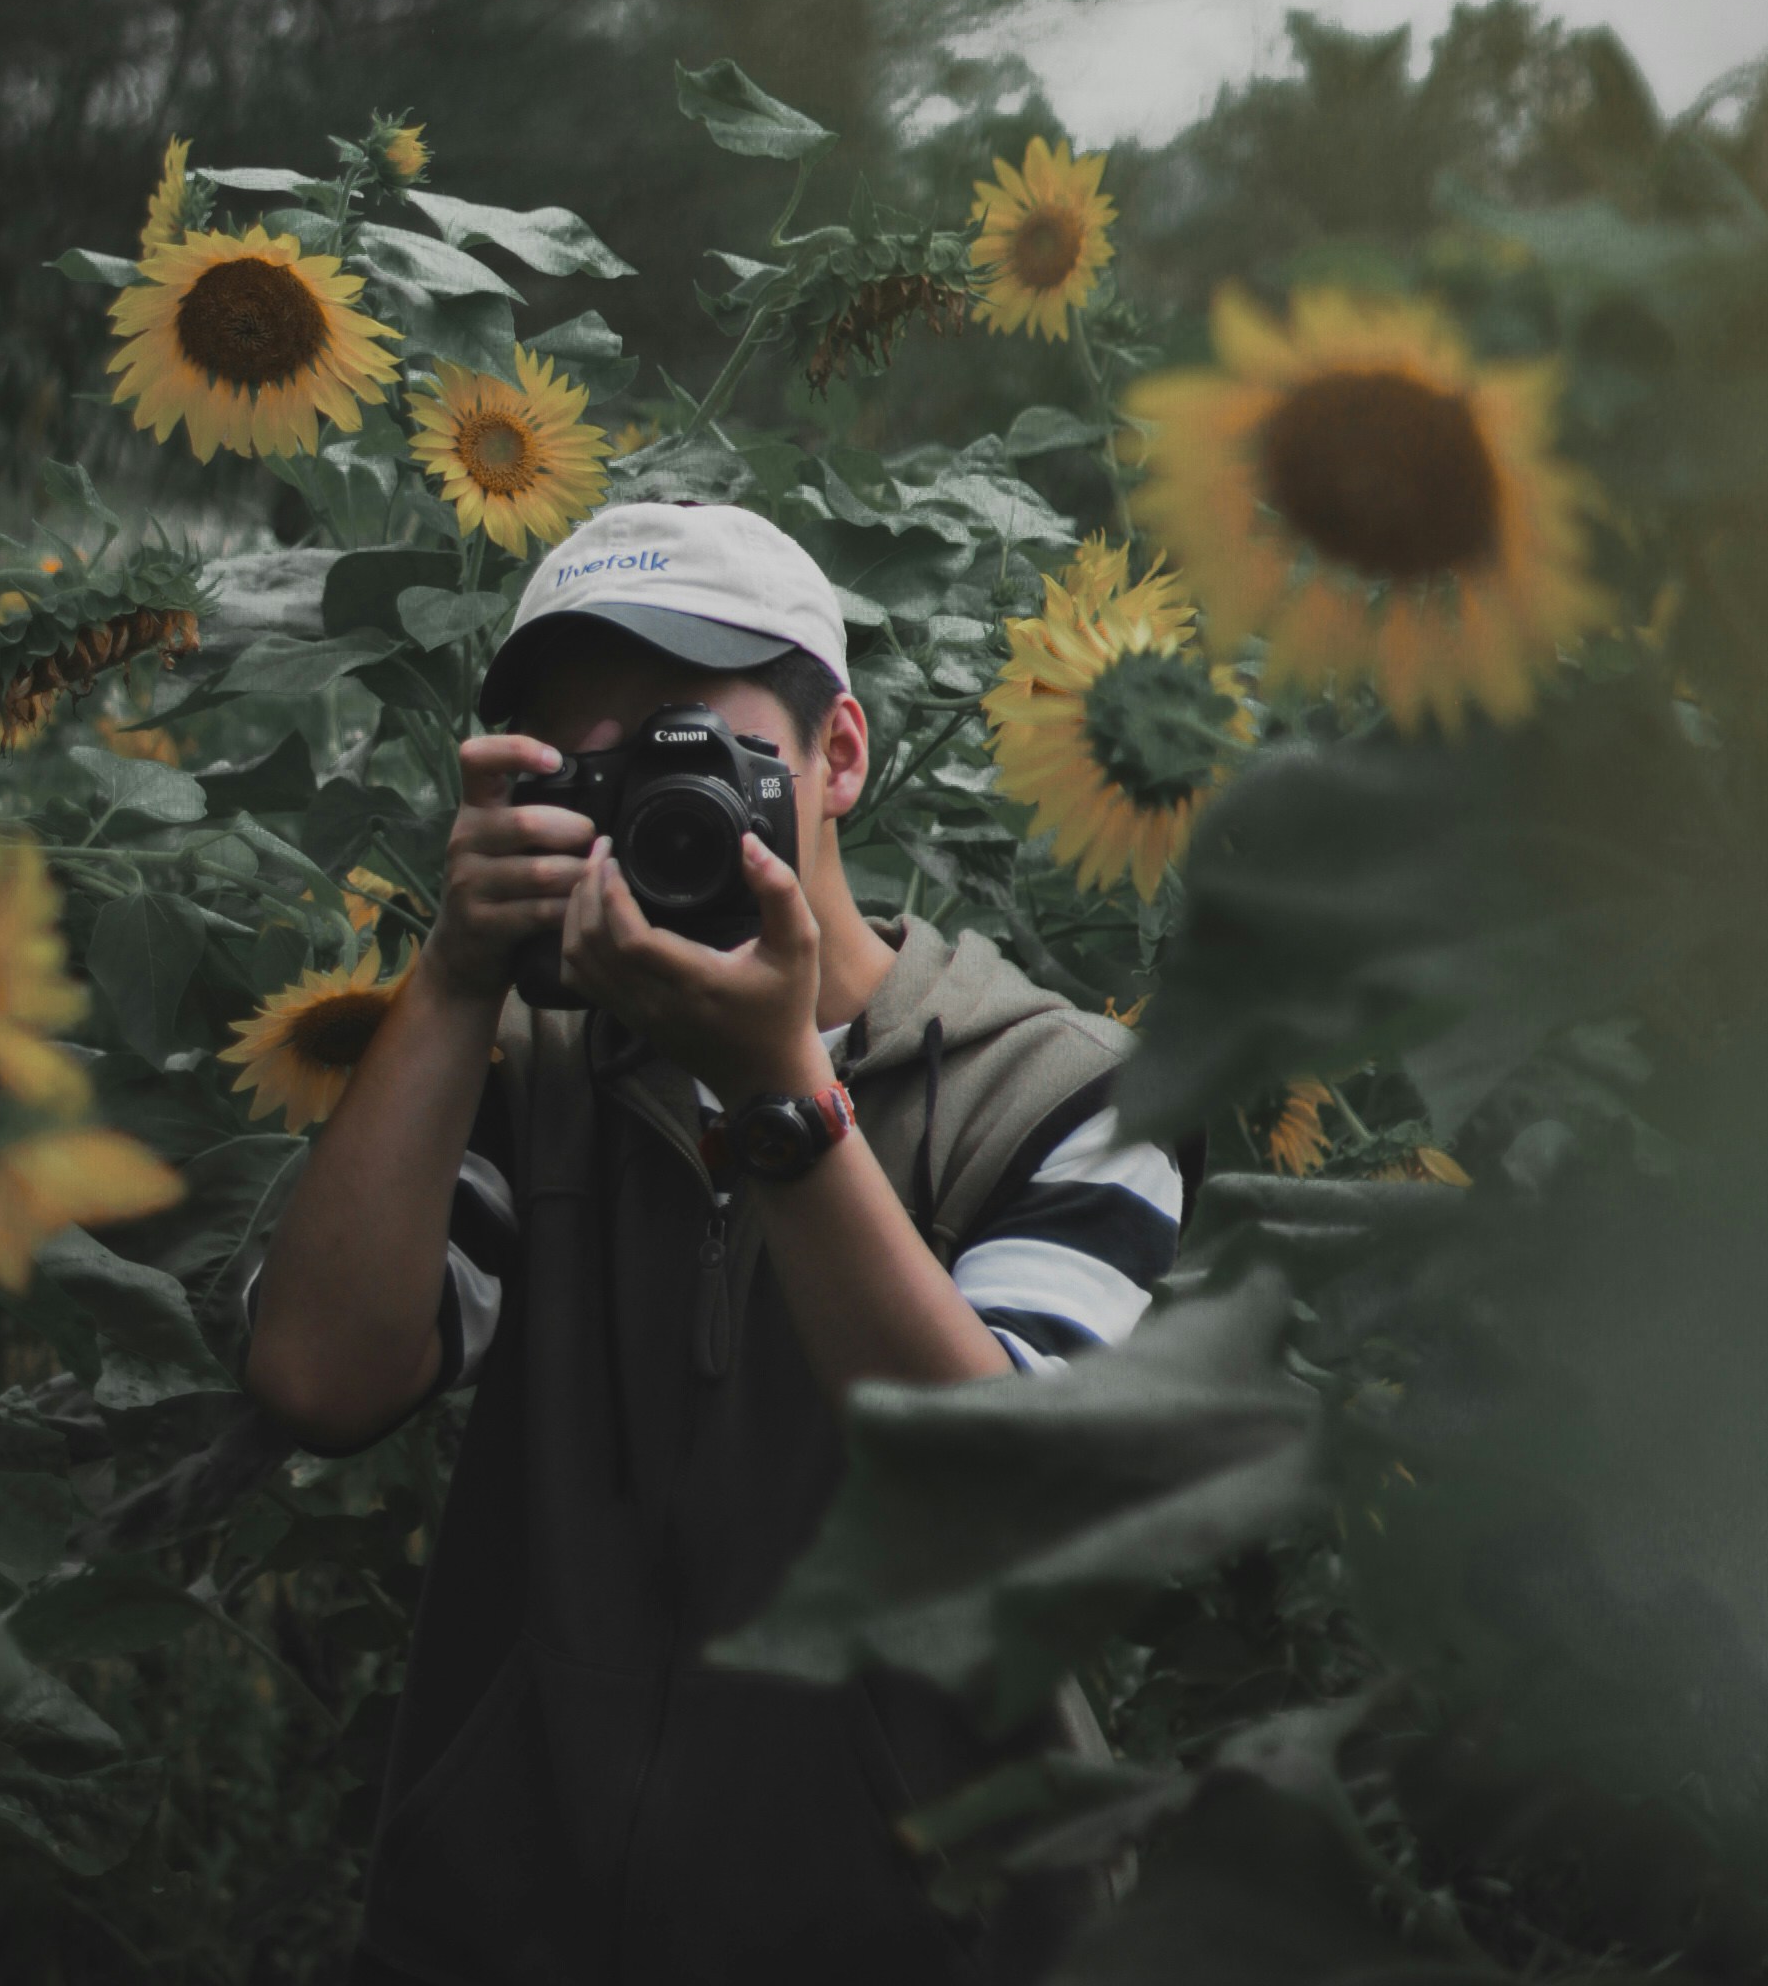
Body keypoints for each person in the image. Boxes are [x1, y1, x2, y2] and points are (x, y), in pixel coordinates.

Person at [244, 500, 1184, 1986]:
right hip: (521, 1929)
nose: (648, 803)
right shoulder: (530, 1069)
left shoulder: (1064, 1092)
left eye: (692, 736)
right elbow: (317, 1378)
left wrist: (779, 1098)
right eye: (590, 762)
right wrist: (453, 976)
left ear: (842, 758)